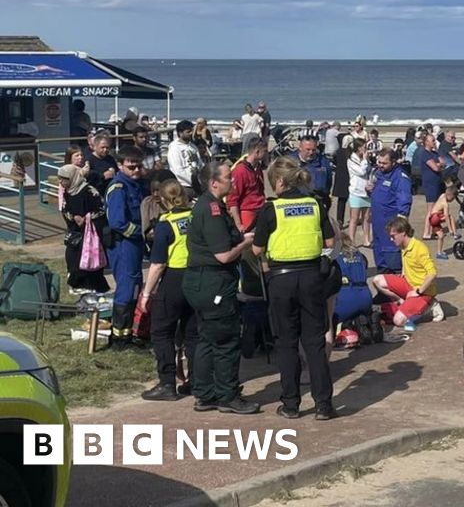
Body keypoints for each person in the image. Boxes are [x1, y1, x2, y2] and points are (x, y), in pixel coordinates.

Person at [252, 157, 336, 420]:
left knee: (286, 343)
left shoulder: (271, 210)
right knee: (314, 343)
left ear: (278, 182)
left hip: (282, 278)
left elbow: (257, 249)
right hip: (311, 277)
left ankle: (291, 404)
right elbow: (330, 240)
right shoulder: (315, 204)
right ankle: (324, 405)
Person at [184, 161, 259, 414]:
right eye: (228, 177)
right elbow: (223, 256)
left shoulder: (209, 206)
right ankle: (227, 395)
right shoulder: (212, 209)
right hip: (214, 281)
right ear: (214, 182)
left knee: (207, 338)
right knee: (226, 340)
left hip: (202, 281)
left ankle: (205, 393)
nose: (234, 181)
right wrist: (246, 243)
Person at [139, 181, 198, 401]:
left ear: (162, 201)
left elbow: (158, 264)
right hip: (195, 277)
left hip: (174, 279)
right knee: (193, 333)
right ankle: (196, 381)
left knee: (161, 332)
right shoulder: (194, 217)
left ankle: (167, 384)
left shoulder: (165, 224)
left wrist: (147, 293)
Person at [105, 146, 149, 350]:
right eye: (131, 167)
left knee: (135, 285)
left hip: (136, 244)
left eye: (139, 166)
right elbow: (117, 222)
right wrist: (141, 232)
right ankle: (119, 338)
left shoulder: (138, 185)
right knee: (126, 287)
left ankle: (130, 331)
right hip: (124, 244)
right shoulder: (118, 188)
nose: (136, 170)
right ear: (120, 166)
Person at [371, 216, 444, 332]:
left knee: (398, 321)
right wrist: (404, 274)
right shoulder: (403, 246)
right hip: (408, 284)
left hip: (423, 291)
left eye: (393, 236)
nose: (391, 239)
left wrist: (418, 291)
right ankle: (400, 301)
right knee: (377, 280)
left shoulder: (420, 248)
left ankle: (430, 307)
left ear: (403, 233)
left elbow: (432, 273)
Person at [58, 164, 109, 294]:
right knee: (73, 261)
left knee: (89, 263)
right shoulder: (68, 192)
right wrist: (73, 217)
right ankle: (78, 287)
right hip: (75, 235)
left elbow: (101, 210)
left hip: (90, 236)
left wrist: (86, 218)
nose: (61, 182)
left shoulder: (89, 191)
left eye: (64, 178)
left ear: (72, 178)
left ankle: (93, 290)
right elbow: (65, 209)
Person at [368, 148, 412, 273]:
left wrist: (400, 225)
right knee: (380, 259)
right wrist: (370, 190)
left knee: (392, 261)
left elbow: (404, 201)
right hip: (377, 225)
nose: (380, 165)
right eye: (379, 162)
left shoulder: (400, 177)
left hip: (391, 226)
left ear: (393, 162)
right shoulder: (379, 173)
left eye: (384, 163)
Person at [330, 232, 373, 337]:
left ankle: (345, 325)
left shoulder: (334, 257)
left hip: (345, 298)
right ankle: (360, 322)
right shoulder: (360, 256)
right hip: (366, 297)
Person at [227, 139, 268, 232]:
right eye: (265, 151)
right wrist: (239, 224)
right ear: (257, 152)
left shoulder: (257, 169)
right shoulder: (239, 171)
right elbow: (232, 200)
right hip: (247, 214)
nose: (266, 155)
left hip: (260, 211)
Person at [290, 136, 333, 204]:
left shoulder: (323, 162)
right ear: (300, 147)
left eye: (313, 150)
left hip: (317, 202)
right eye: (308, 149)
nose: (311, 152)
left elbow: (328, 182)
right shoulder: (289, 162)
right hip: (295, 202)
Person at [348, 139, 373, 247]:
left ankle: (366, 240)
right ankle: (351, 241)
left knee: (367, 218)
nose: (366, 149)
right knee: (354, 218)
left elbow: (370, 171)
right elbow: (361, 171)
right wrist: (364, 160)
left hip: (366, 191)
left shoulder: (366, 160)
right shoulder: (351, 160)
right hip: (356, 192)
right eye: (364, 147)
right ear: (359, 148)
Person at [168, 120, 201, 199]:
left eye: (191, 131)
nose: (191, 134)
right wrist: (192, 181)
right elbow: (177, 170)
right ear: (180, 133)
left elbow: (200, 163)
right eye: (188, 132)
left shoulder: (193, 147)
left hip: (198, 184)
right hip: (184, 186)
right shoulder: (175, 148)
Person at [420, 133, 443, 236]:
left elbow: (443, 162)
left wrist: (438, 163)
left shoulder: (434, 153)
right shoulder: (424, 153)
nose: (434, 142)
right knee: (431, 207)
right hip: (430, 183)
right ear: (426, 142)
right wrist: (438, 164)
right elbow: (436, 168)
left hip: (436, 182)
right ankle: (426, 232)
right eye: (432, 140)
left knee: (436, 208)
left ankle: (434, 229)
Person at [428, 183, 458, 260]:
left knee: (441, 235)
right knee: (451, 217)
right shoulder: (446, 205)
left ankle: (439, 252)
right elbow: (447, 217)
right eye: (453, 198)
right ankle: (454, 234)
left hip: (432, 218)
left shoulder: (442, 195)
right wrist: (450, 229)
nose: (453, 200)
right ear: (451, 196)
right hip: (435, 218)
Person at [332, 138, 351, 228]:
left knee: (341, 201)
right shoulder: (350, 152)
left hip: (340, 177)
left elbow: (334, 162)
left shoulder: (338, 152)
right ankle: (351, 219)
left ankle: (339, 220)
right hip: (349, 176)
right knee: (351, 201)